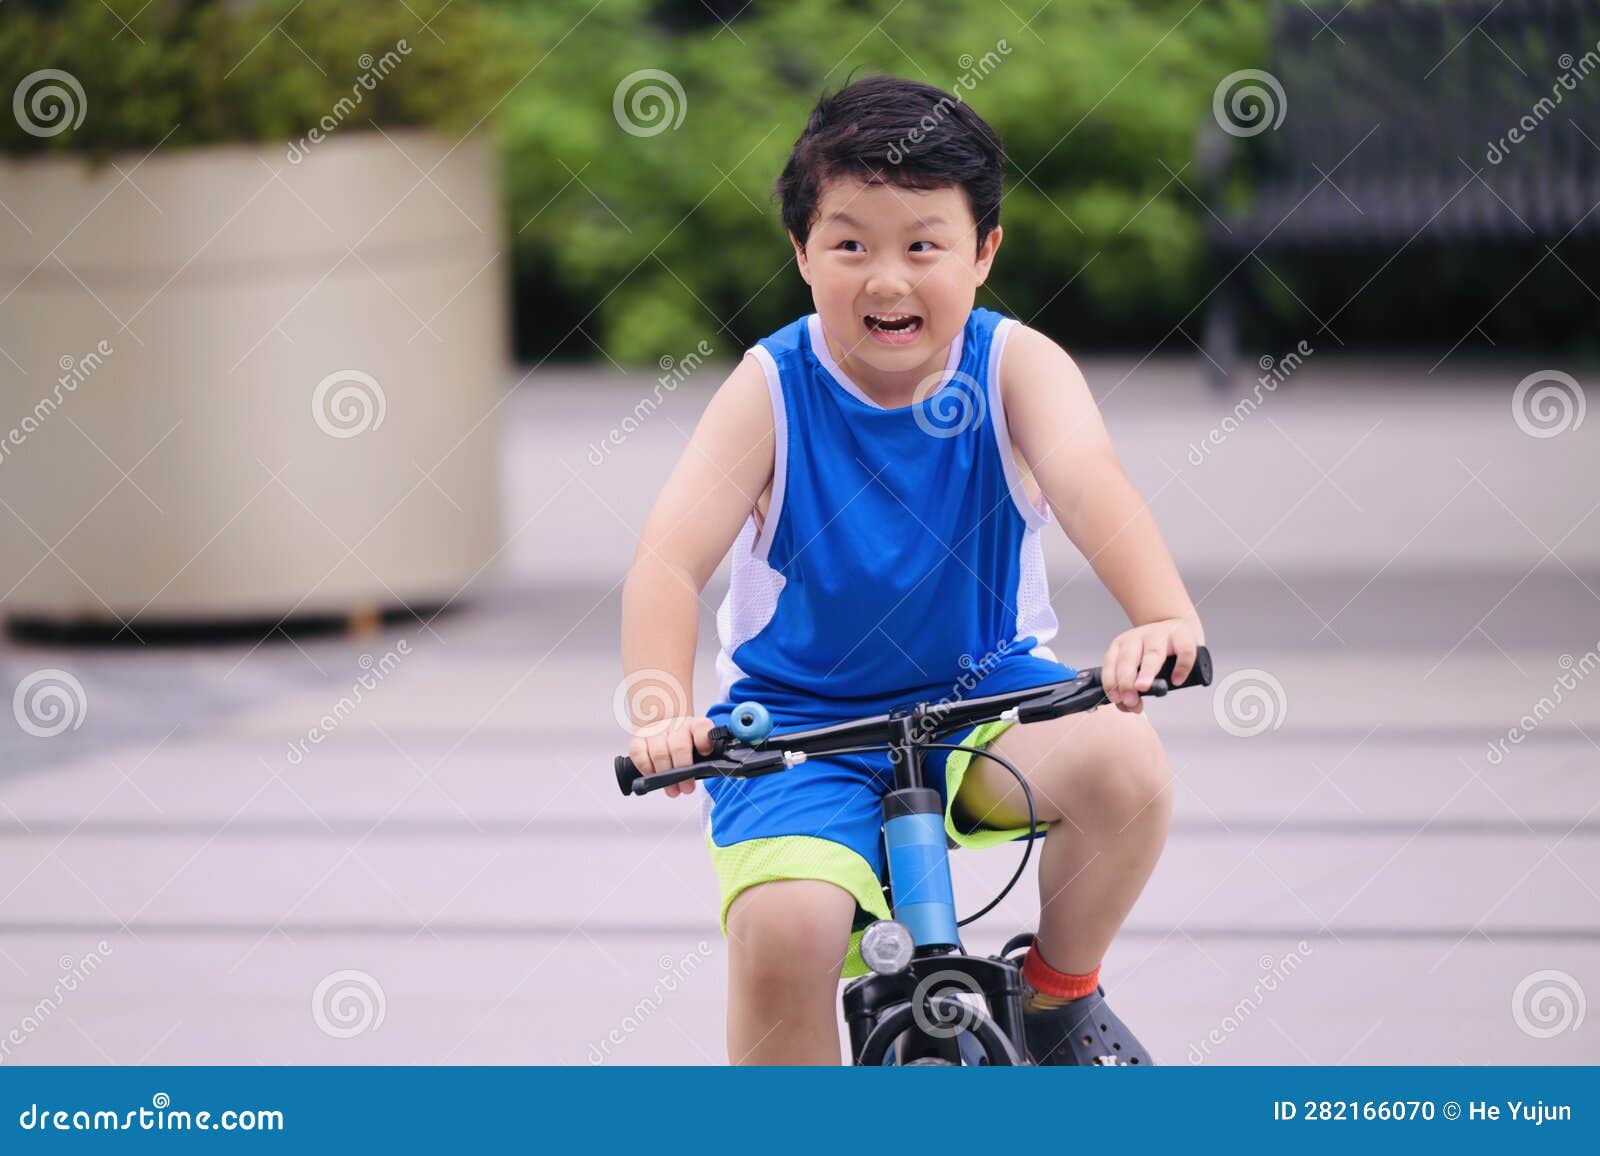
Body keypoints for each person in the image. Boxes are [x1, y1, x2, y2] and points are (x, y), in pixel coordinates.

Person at [620, 74, 1204, 1065]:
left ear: (983, 253)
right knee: (787, 931)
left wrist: (1161, 616)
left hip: (983, 705)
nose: (886, 280)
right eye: (850, 245)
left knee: (1126, 762)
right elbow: (668, 560)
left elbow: (1088, 480)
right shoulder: (772, 387)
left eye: (922, 246)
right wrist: (659, 710)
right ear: (802, 253)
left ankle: (1058, 995)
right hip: (803, 730)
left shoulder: (1016, 364)